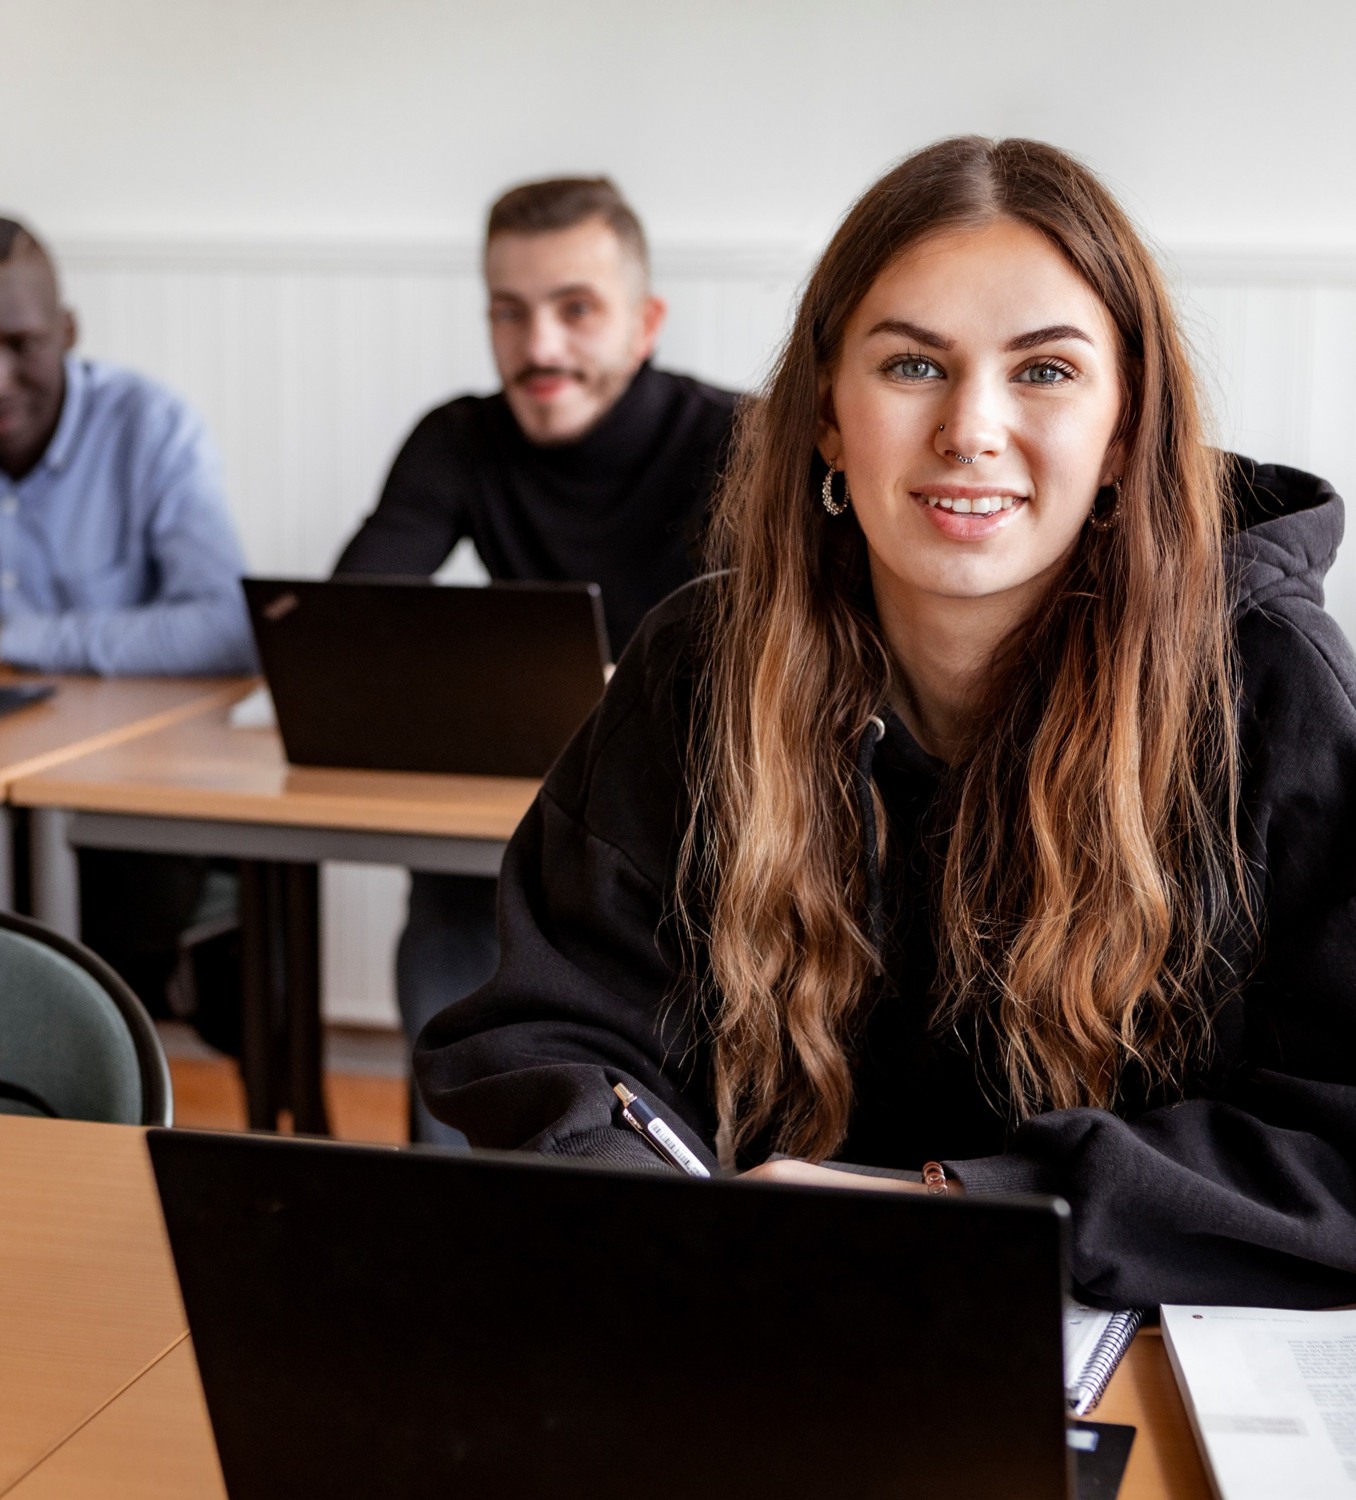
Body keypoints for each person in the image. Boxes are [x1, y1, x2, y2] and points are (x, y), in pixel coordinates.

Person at [415, 137, 1356, 1310]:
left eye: (1047, 372)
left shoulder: (1267, 682)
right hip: (748, 1328)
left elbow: (1338, 1142)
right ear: (823, 414)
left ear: (1123, 430)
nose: (970, 427)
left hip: (1123, 1354)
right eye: (913, 366)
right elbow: (551, 1034)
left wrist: (961, 1213)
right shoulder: (699, 663)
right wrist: (648, 1212)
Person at [334, 177, 738, 1143]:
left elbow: (787, 656)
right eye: (510, 315)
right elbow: (353, 619)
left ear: (644, 323)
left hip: (696, 816)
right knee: (451, 895)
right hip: (523, 806)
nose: (540, 348)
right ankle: (449, 1190)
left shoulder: (741, 439)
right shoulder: (459, 436)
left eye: (576, 311)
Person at [0, 214, 256, 1011]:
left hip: (118, 803)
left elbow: (229, 626)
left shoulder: (151, 427)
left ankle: (67, 1105)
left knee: (96, 935)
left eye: (19, 345)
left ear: (67, 330)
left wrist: (4, 639)